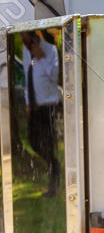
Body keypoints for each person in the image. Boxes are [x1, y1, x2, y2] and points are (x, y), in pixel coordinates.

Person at [21, 30, 61, 196]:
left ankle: (54, 184)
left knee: (50, 145)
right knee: (34, 142)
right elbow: (27, 76)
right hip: (35, 107)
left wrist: (41, 58)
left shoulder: (50, 50)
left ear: (33, 36)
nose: (22, 39)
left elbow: (54, 77)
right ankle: (55, 166)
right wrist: (28, 103)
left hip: (49, 106)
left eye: (24, 36)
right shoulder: (25, 52)